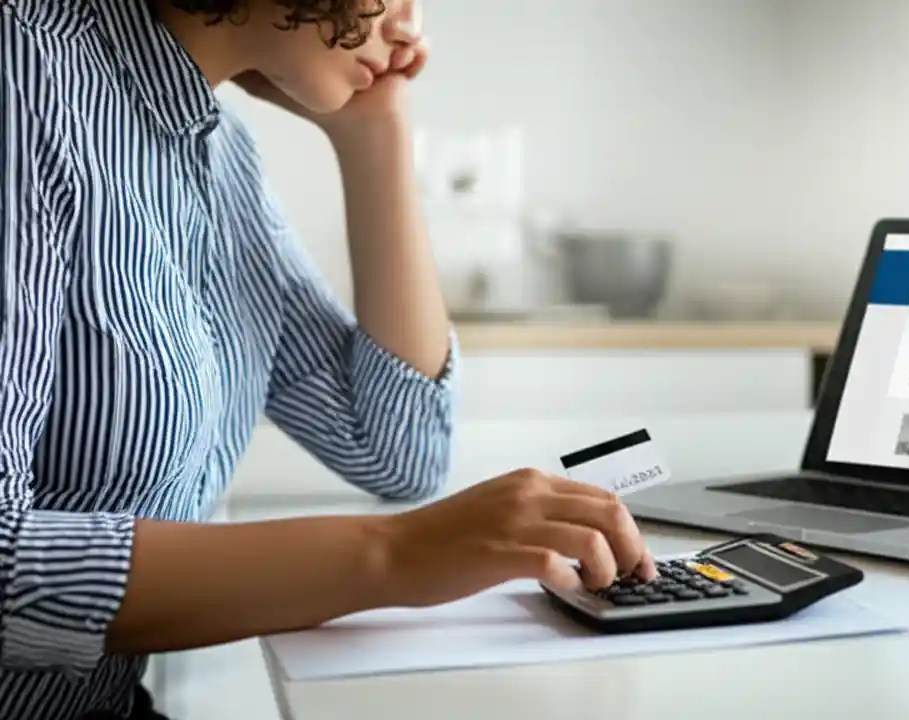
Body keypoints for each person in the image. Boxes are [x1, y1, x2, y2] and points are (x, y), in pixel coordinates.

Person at [0, 1, 656, 717]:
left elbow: (398, 448)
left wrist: (375, 135)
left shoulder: (220, 158)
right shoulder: (23, 73)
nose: (411, 27)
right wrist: (395, 556)